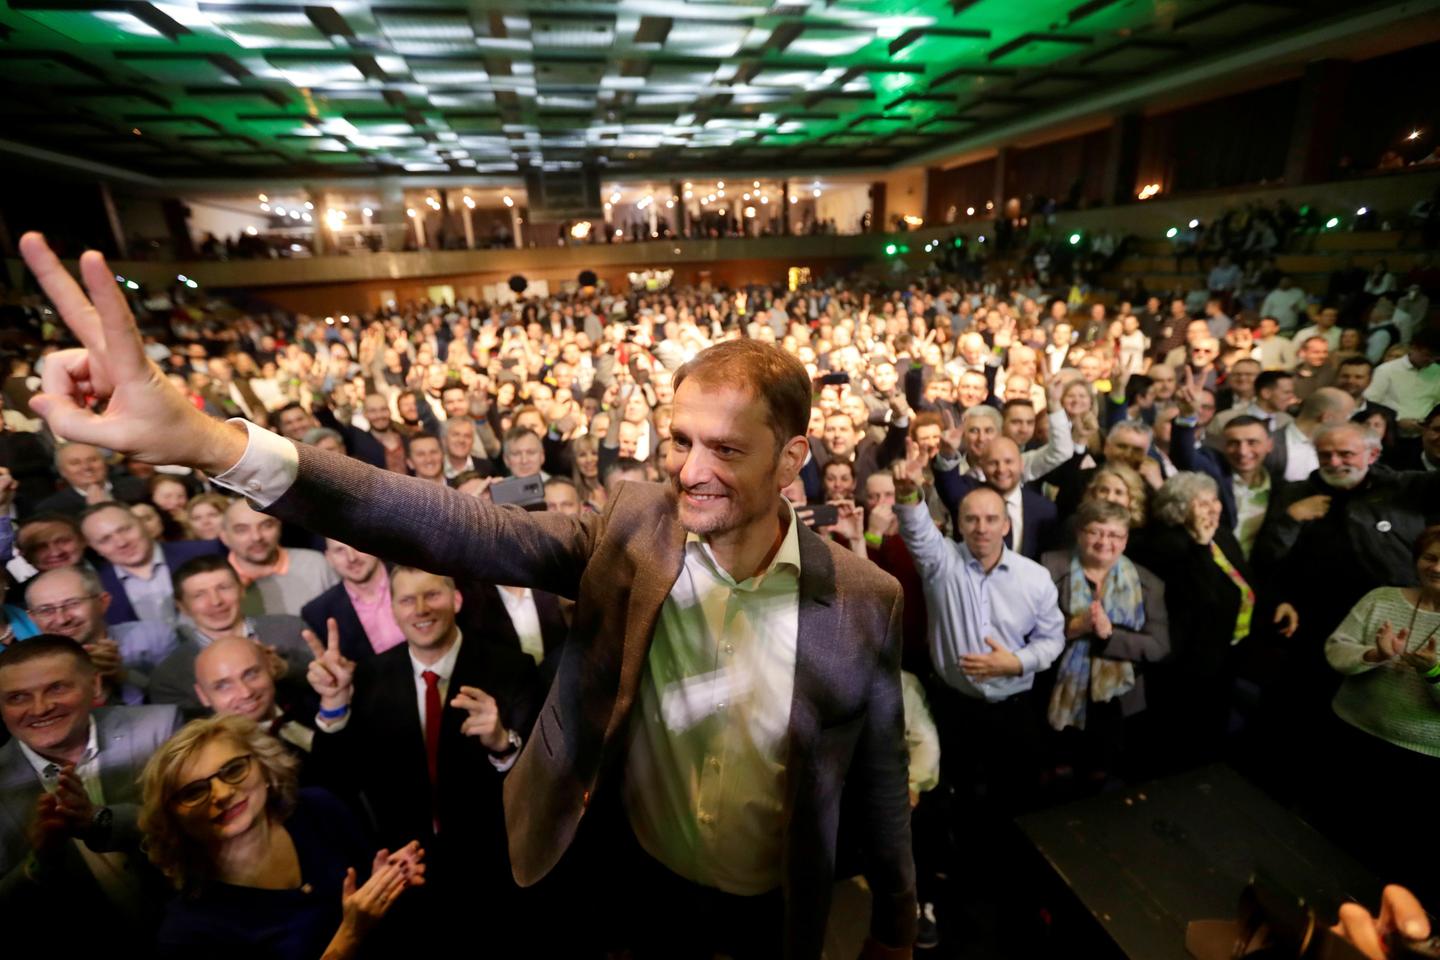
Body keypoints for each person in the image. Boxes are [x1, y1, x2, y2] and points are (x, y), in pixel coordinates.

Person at [14, 239, 915, 960]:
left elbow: (876, 771)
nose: (690, 470)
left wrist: (894, 922)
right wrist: (211, 442)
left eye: (724, 449)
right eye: (680, 440)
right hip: (628, 870)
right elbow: (447, 526)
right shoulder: (638, 526)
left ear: (794, 458)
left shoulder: (864, 599)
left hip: (777, 900)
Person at [301, 567, 539, 945]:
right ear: (393, 610)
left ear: (457, 600)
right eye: (407, 600)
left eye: (432, 595)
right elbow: (334, 780)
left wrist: (501, 743)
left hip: (493, 865)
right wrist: (333, 706)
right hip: (405, 869)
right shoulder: (368, 677)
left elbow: (542, 781)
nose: (420, 610)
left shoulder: (511, 668)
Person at [138, 714, 425, 958]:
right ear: (173, 817)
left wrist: (386, 883)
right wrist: (348, 937)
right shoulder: (185, 933)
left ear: (263, 768)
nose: (222, 794)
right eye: (194, 791)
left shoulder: (318, 807)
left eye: (234, 770)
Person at [0, 635, 180, 941]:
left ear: (95, 686)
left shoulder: (160, 729)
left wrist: (102, 821)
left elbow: (202, 829)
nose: (40, 708)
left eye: (57, 687)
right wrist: (40, 862)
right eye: (18, 697)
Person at [1320, 526, 1440, 903]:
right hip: (1351, 735)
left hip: (1419, 763)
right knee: (1329, 840)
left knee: (1391, 864)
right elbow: (1336, 649)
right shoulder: (1381, 598)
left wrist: (1433, 673)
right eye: (1430, 557)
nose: (1436, 567)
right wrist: (1373, 656)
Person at [1042, 500, 1169, 785]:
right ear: (1079, 533)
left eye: (1114, 535)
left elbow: (1159, 647)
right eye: (1096, 532)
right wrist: (1072, 627)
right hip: (1053, 689)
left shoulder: (1149, 583)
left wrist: (1109, 637)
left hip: (1115, 703)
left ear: (1125, 541)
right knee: (1056, 779)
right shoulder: (1049, 567)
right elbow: (1028, 631)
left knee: (1100, 778)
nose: (1104, 542)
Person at [148, 556, 313, 718]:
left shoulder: (290, 629)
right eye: (199, 595)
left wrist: (285, 669)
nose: (215, 601)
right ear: (182, 606)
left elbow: (326, 685)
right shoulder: (170, 676)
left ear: (241, 590)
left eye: (224, 588)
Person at [25, 564, 179, 704]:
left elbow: (180, 699)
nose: (62, 619)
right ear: (32, 618)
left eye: (73, 604)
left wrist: (124, 675)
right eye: (46, 610)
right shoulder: (24, 666)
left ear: (103, 602)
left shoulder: (153, 637)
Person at [80, 502, 223, 626]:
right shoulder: (95, 590)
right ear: (95, 548)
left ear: (142, 524)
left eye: (125, 529)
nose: (121, 543)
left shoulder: (206, 552)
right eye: (105, 539)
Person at [194, 636, 316, 758]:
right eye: (223, 686)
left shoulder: (307, 698)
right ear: (202, 695)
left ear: (270, 667)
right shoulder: (218, 759)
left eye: (251, 674)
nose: (246, 693)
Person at [220, 499, 338, 617]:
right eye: (242, 530)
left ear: (279, 526)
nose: (256, 537)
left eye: (267, 525)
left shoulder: (315, 564)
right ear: (224, 537)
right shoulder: (214, 581)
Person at [299, 540, 406, 663]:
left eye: (357, 546)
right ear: (329, 558)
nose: (352, 558)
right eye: (340, 550)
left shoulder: (415, 575)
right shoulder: (317, 613)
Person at [35, 442, 149, 516]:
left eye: (93, 460)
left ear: (105, 463)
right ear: (62, 471)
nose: (86, 467)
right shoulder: (51, 509)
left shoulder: (138, 487)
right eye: (75, 463)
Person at [1364, 329, 1440, 434]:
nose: (1431, 360)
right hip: (1390, 431)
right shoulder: (1386, 370)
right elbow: (1370, 402)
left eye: (1435, 357)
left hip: (1424, 434)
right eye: (1427, 355)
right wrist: (1397, 421)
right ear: (1413, 348)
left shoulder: (1437, 372)